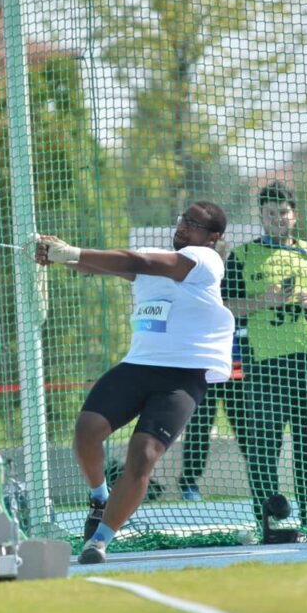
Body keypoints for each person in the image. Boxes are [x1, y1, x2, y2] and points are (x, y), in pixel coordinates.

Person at [33, 201, 234, 564]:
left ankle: (99, 541)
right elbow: (120, 266)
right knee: (86, 432)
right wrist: (62, 256)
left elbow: (137, 261)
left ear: (213, 237)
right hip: (138, 366)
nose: (183, 227)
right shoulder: (160, 263)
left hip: (182, 376)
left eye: (193, 224)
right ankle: (99, 498)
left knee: (142, 455)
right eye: (182, 220)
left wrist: (74, 252)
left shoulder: (204, 261)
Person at [223, 182, 307, 540]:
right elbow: (227, 307)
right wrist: (265, 301)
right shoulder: (243, 256)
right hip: (266, 365)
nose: (277, 218)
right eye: (269, 213)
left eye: (283, 212)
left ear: (295, 215)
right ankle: (269, 521)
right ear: (261, 216)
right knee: (264, 444)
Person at [176, 323, 248, 502]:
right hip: (207, 372)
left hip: (239, 374)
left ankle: (262, 481)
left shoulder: (245, 297)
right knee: (199, 427)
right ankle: (189, 483)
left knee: (247, 429)